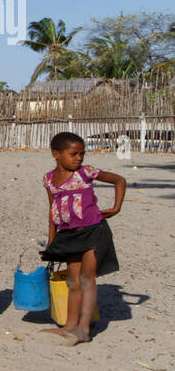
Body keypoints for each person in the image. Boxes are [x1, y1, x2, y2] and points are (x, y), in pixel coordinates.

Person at [39, 131, 125, 345]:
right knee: (71, 281)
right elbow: (52, 209)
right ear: (56, 154)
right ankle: (69, 326)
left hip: (94, 231)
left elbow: (119, 180)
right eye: (74, 153)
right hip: (68, 235)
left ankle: (84, 330)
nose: (79, 158)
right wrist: (52, 238)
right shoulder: (49, 179)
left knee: (87, 279)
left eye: (82, 154)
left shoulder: (87, 172)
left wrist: (116, 208)